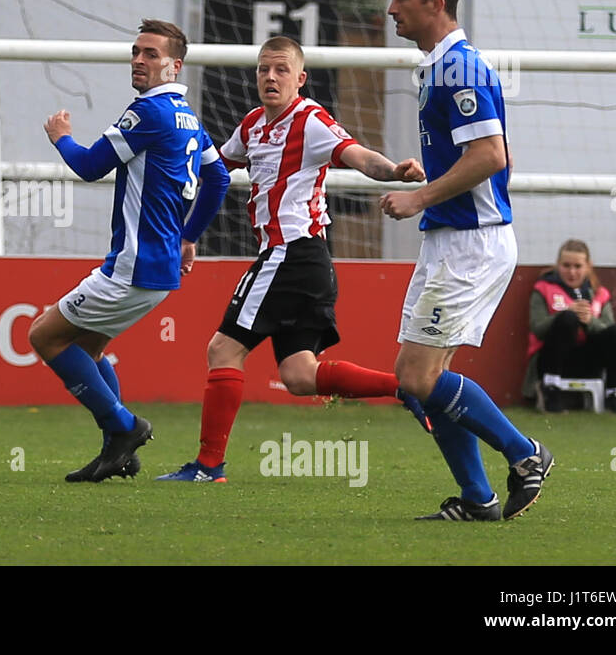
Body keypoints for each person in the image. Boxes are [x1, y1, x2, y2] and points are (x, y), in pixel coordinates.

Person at [156, 35, 428, 483]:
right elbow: (216, 170)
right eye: (264, 69)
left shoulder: (311, 120)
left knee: (223, 348)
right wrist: (185, 211)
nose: (270, 77)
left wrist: (394, 172)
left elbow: (357, 155)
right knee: (300, 374)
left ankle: (208, 466)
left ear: (300, 79)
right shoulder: (251, 126)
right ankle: (406, 390)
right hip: (304, 260)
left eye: (281, 69)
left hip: (293, 252)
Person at [380, 0, 553, 521]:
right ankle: (479, 500)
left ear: (436, 3)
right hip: (453, 239)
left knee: (417, 377)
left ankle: (525, 454)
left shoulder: (460, 69)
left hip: (470, 245)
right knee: (416, 384)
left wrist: (420, 197)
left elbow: (490, 154)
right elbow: (493, 160)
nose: (391, 10)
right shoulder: (443, 67)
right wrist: (431, 177)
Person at [28, 18, 230, 483]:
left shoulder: (148, 114)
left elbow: (90, 165)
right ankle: (118, 452)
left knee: (43, 335)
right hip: (157, 269)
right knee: (89, 350)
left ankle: (124, 427)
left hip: (132, 267)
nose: (140, 60)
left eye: (151, 54)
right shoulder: (188, 118)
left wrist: (60, 135)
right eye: (136, 52)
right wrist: (188, 235)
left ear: (174, 66)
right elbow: (218, 177)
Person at [524, 239, 616, 413]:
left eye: (578, 266)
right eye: (566, 265)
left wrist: (590, 321)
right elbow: (537, 328)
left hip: (587, 360)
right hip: (550, 358)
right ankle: (551, 391)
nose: (572, 272)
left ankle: (613, 395)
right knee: (568, 318)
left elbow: (610, 331)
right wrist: (566, 313)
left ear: (588, 266)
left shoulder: (599, 293)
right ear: (558, 265)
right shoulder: (543, 288)